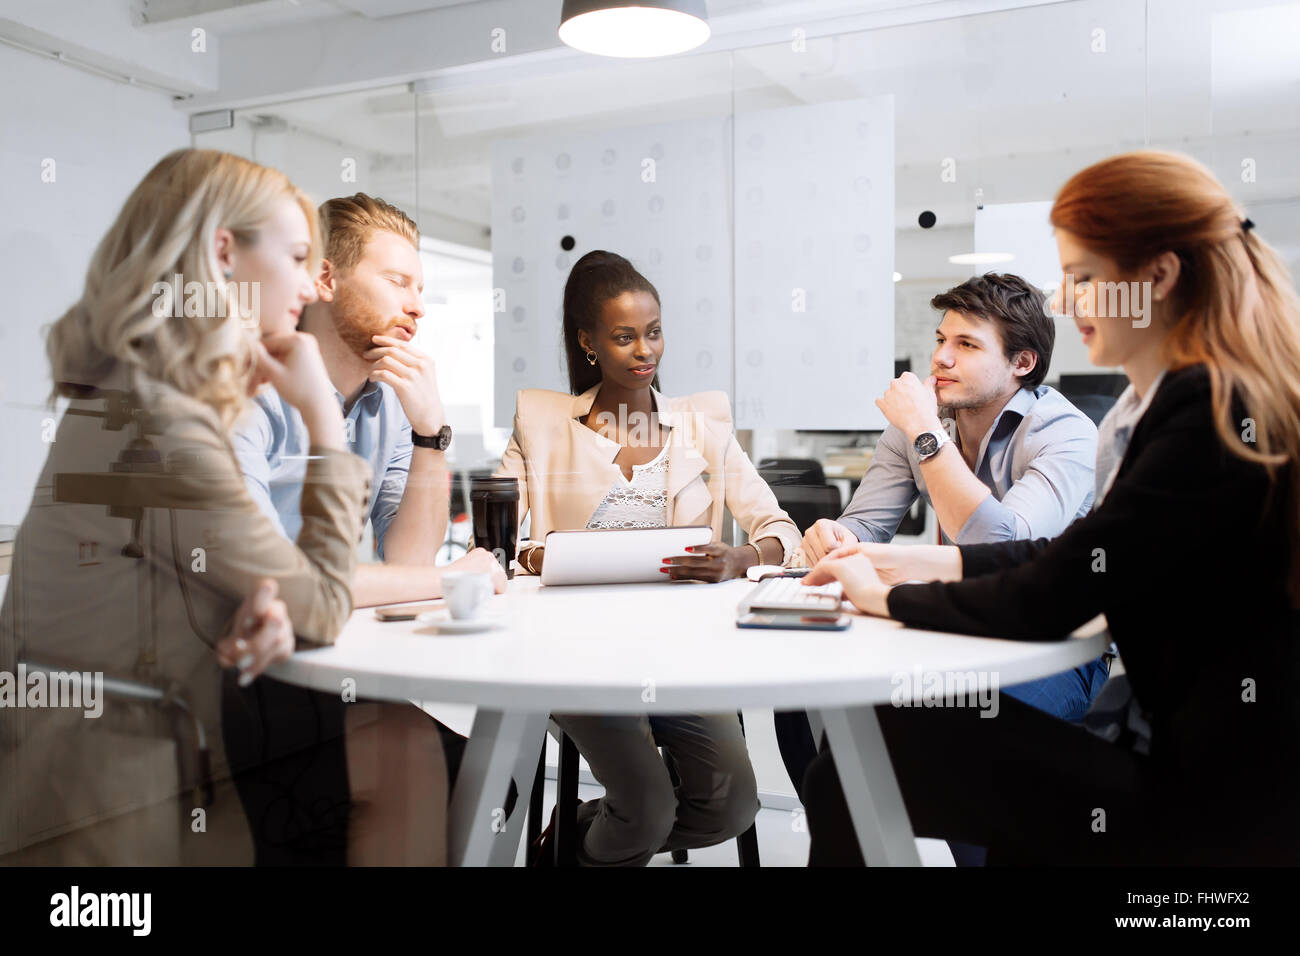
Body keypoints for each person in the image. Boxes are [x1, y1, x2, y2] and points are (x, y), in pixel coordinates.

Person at [799, 150, 1300, 865]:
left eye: (1083, 278)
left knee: (864, 762)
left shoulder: (1206, 412)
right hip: (1202, 772)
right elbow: (1072, 556)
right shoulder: (1193, 401)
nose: (1062, 303)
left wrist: (886, 596)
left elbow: (1051, 594)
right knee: (866, 754)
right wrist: (894, 558)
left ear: (1157, 276)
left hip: (1215, 819)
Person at [0, 149, 448, 866]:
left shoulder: (148, 394)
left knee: (412, 748)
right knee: (412, 751)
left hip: (154, 743)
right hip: (111, 805)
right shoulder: (163, 421)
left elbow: (210, 573)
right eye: (299, 257)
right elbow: (325, 601)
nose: (310, 283)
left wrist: (248, 608)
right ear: (222, 254)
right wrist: (325, 429)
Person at [495, 250, 800, 865]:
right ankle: (614, 833)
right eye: (625, 337)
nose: (645, 351)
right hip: (577, 655)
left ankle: (575, 839)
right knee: (649, 807)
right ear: (588, 343)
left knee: (733, 805)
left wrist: (737, 558)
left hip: (680, 650)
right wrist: (530, 557)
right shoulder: (542, 422)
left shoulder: (702, 424)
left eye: (654, 332)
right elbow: (499, 538)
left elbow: (780, 531)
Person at [777, 274, 1106, 825]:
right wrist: (837, 537)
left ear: (1022, 363)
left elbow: (1003, 547)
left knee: (946, 730)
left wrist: (926, 432)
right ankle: (860, 838)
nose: (940, 359)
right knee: (802, 698)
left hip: (1052, 645)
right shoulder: (920, 422)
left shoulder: (1066, 434)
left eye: (966, 345)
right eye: (940, 340)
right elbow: (867, 524)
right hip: (957, 626)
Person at [232, 192, 506, 608]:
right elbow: (271, 580)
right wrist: (450, 577)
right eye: (397, 282)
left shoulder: (392, 406)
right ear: (325, 280)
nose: (417, 308)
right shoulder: (248, 394)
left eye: (419, 289)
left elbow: (409, 562)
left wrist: (430, 434)